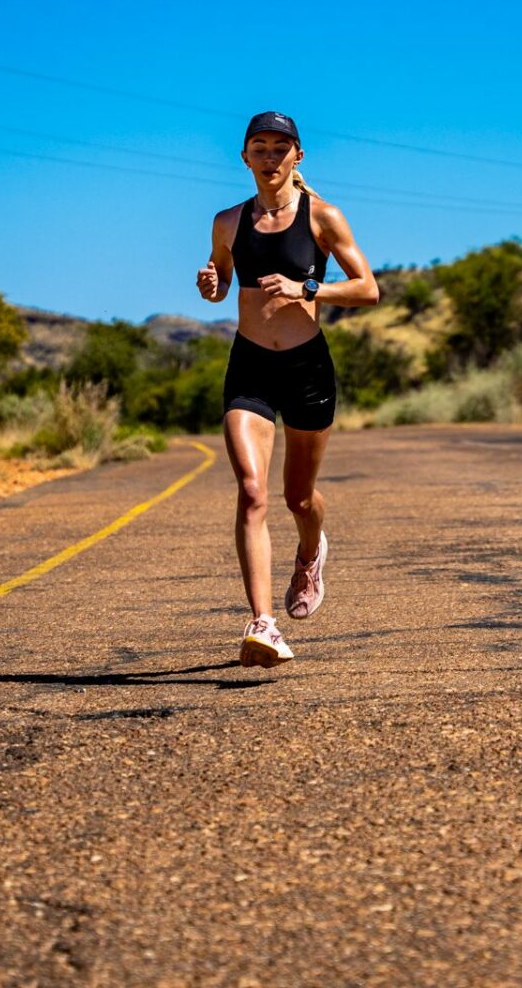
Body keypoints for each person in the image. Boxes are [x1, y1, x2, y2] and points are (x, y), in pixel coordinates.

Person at [196, 111, 380, 667]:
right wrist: (211, 285)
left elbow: (368, 289)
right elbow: (221, 277)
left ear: (297, 156)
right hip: (249, 365)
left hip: (306, 368)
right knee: (251, 491)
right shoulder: (228, 221)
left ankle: (310, 550)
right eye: (260, 146)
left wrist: (309, 287)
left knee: (297, 497)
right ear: (245, 157)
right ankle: (262, 623)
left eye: (281, 147)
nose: (271, 156)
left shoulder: (323, 217)